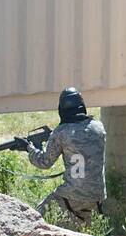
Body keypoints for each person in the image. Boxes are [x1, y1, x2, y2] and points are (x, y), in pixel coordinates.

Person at [27, 87, 107, 226]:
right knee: (85, 229)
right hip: (97, 196)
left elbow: (44, 162)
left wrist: (29, 149)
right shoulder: (99, 127)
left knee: (37, 217)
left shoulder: (61, 133)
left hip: (72, 194)